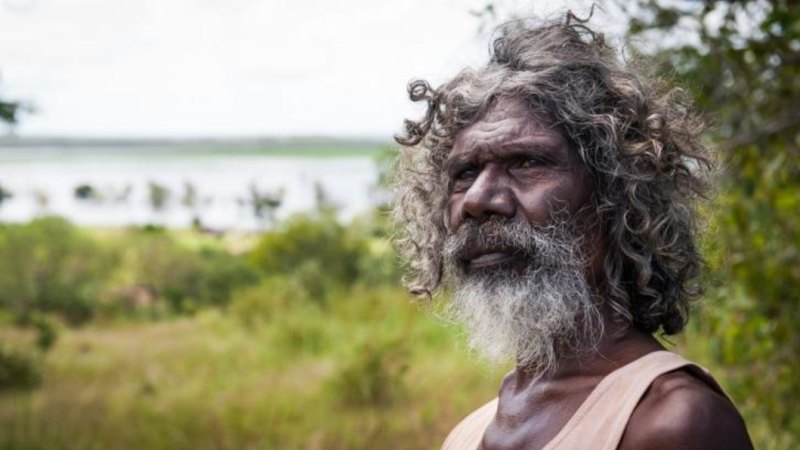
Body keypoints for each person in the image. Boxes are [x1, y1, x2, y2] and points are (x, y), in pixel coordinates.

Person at [392, 13, 753, 450]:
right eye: (465, 173)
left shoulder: (672, 423)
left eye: (526, 162)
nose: (478, 199)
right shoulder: (470, 431)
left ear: (617, 192)